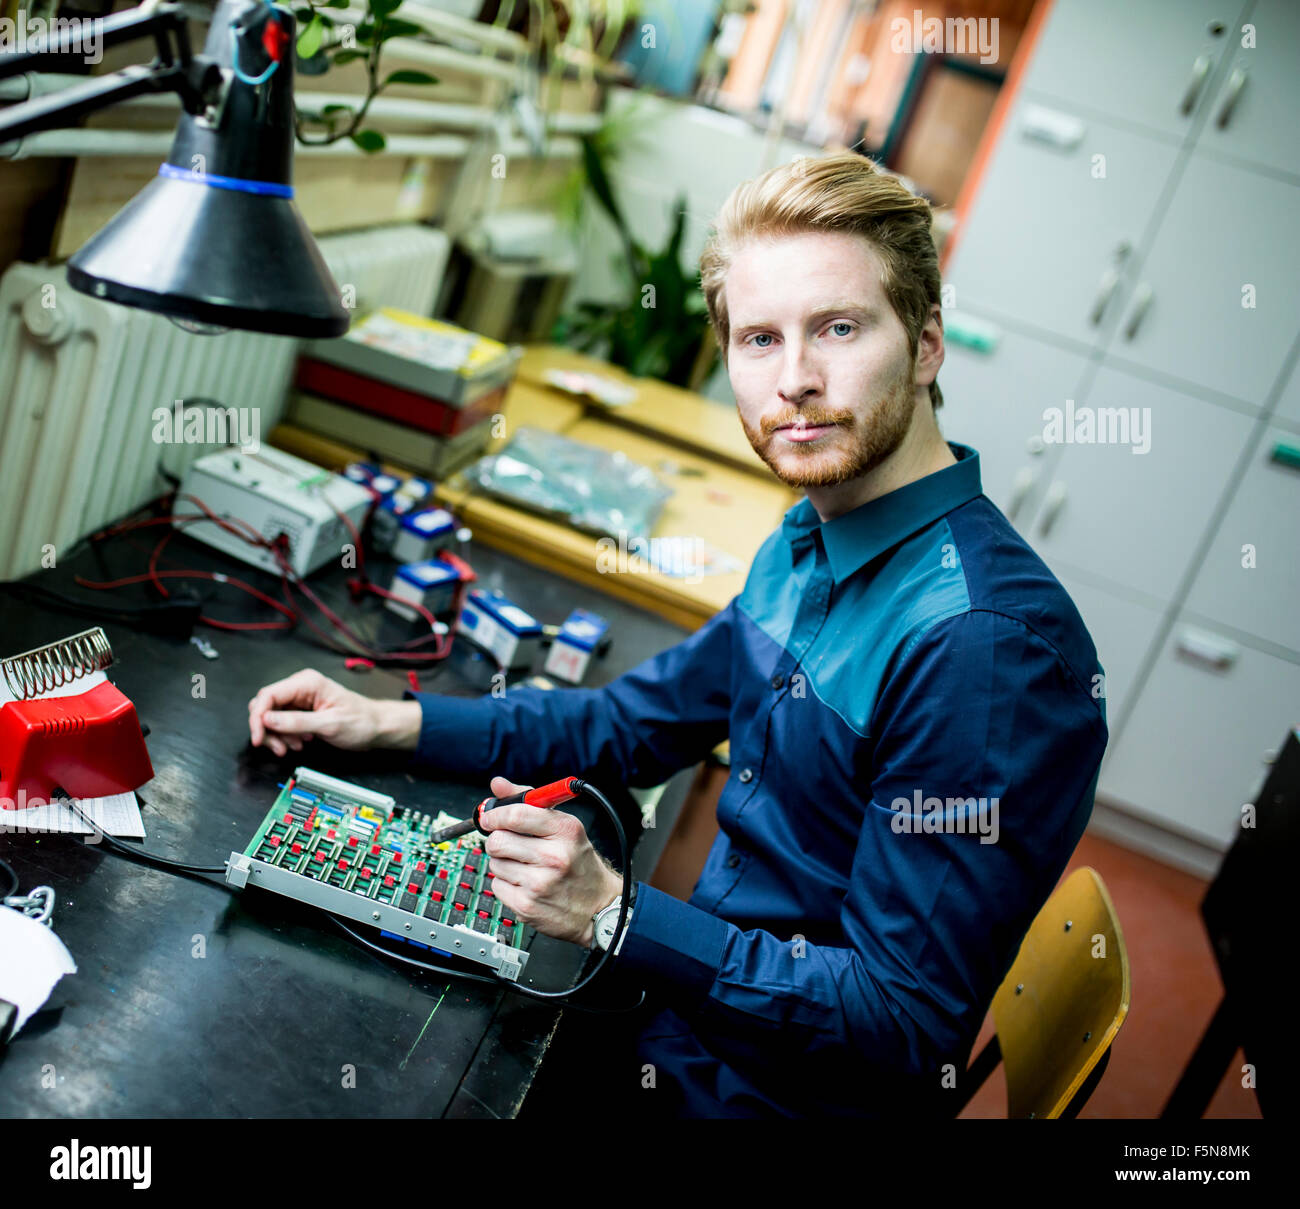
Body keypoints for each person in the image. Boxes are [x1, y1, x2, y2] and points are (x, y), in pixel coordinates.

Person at [247, 152, 1108, 1118]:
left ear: (927, 344)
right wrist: (392, 724)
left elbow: (898, 1025)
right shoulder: (809, 537)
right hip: (688, 1019)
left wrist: (613, 910)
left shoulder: (986, 650)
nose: (796, 381)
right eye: (758, 339)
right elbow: (633, 723)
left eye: (839, 327)